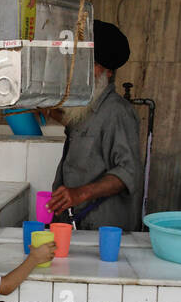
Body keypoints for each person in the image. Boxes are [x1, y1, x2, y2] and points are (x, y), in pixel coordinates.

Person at [45, 19, 142, 230]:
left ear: (108, 72)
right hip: (73, 224)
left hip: (101, 229)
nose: (82, 72)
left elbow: (129, 172)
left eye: (91, 65)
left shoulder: (118, 112)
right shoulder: (86, 108)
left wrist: (80, 193)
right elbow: (78, 126)